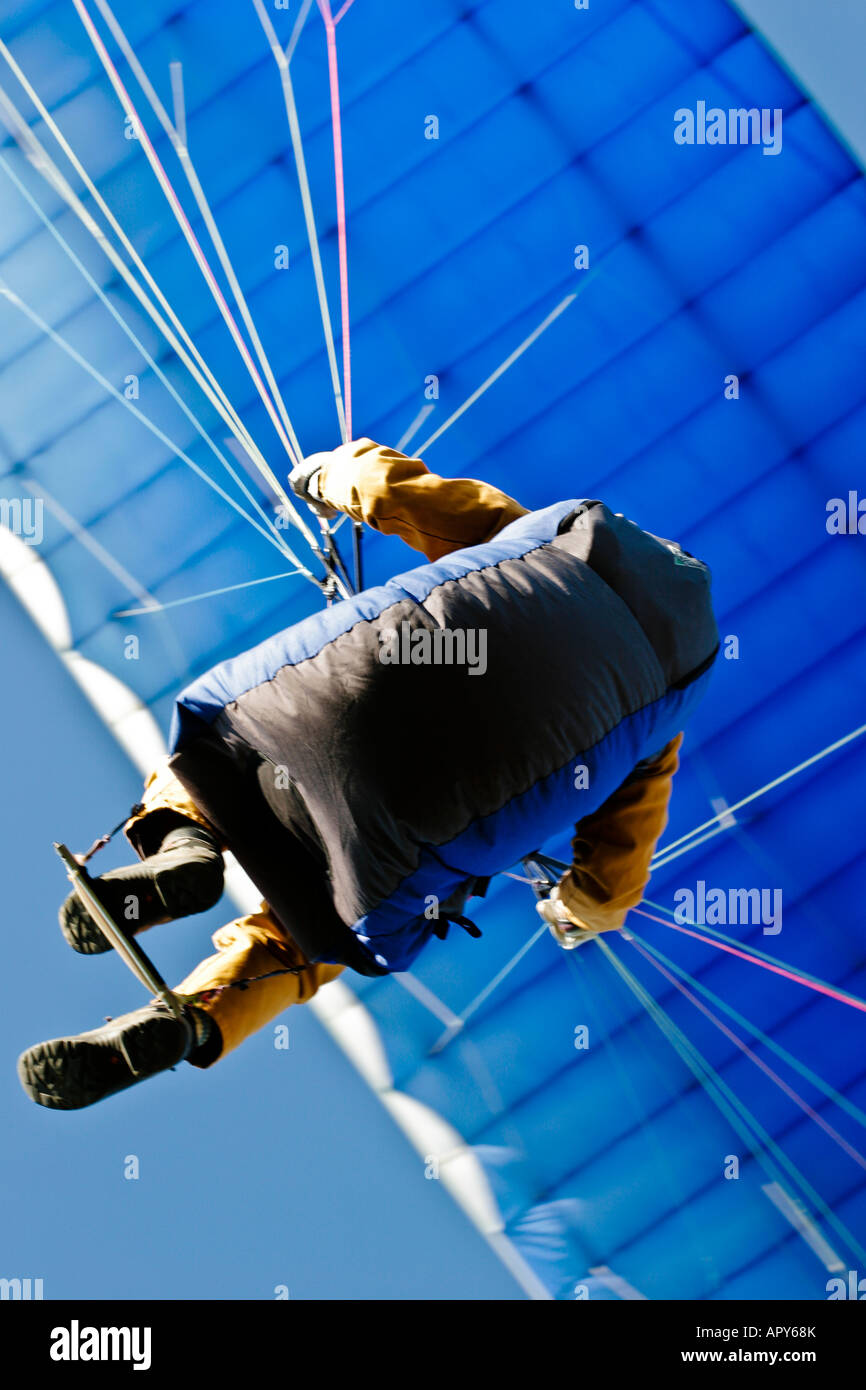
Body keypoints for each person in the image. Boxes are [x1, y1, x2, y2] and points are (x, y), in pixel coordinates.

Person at [18, 439, 719, 1110]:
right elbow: (612, 886)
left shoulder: (543, 535)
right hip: (409, 837)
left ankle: (184, 850)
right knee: (314, 936)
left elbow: (385, 486)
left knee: (216, 761)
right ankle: (194, 1023)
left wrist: (321, 477)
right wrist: (569, 911)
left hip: (328, 694)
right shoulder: (658, 730)